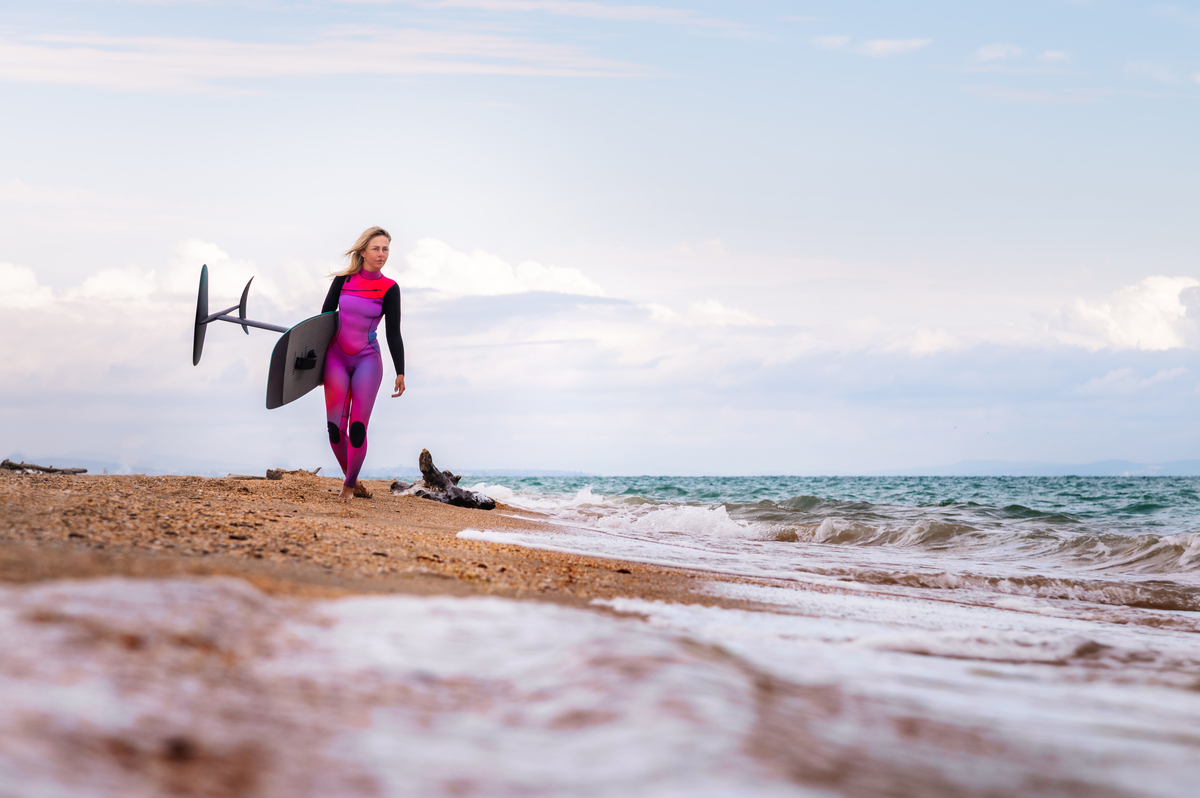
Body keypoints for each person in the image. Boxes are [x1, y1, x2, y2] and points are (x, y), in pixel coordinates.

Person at [322, 226, 405, 499]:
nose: (382, 254)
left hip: (368, 360)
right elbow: (324, 319)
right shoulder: (343, 280)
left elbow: (393, 333)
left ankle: (348, 487)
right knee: (335, 430)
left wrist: (400, 371)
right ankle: (353, 478)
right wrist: (313, 359)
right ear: (362, 252)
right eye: (376, 249)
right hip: (335, 358)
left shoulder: (389, 288)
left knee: (357, 429)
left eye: (386, 249)